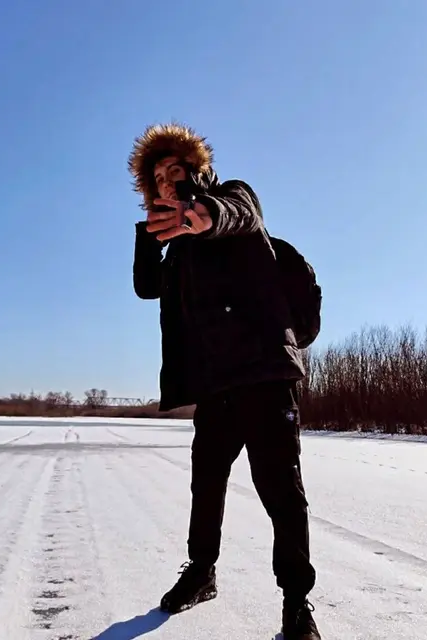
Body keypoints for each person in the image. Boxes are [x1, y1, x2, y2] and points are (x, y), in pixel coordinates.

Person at [129, 122, 322, 640]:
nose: (167, 183)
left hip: (266, 373)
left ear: (197, 170)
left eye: (175, 171)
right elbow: (146, 287)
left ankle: (296, 601)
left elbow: (238, 212)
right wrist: (148, 236)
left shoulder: (234, 199)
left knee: (280, 488)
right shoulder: (178, 251)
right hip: (217, 385)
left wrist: (202, 212)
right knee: (207, 482)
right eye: (158, 179)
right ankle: (202, 571)